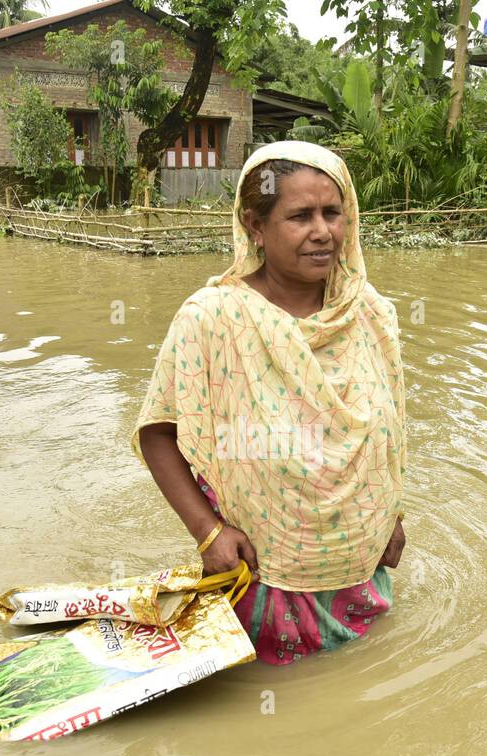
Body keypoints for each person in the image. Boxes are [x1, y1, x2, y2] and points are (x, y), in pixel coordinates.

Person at [132, 141, 406, 666]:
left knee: (359, 680)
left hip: (360, 564)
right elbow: (157, 432)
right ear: (255, 226)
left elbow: (388, 433)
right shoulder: (213, 317)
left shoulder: (369, 313)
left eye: (333, 213)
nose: (322, 231)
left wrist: (391, 515)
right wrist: (209, 533)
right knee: (270, 681)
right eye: (299, 216)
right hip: (263, 568)